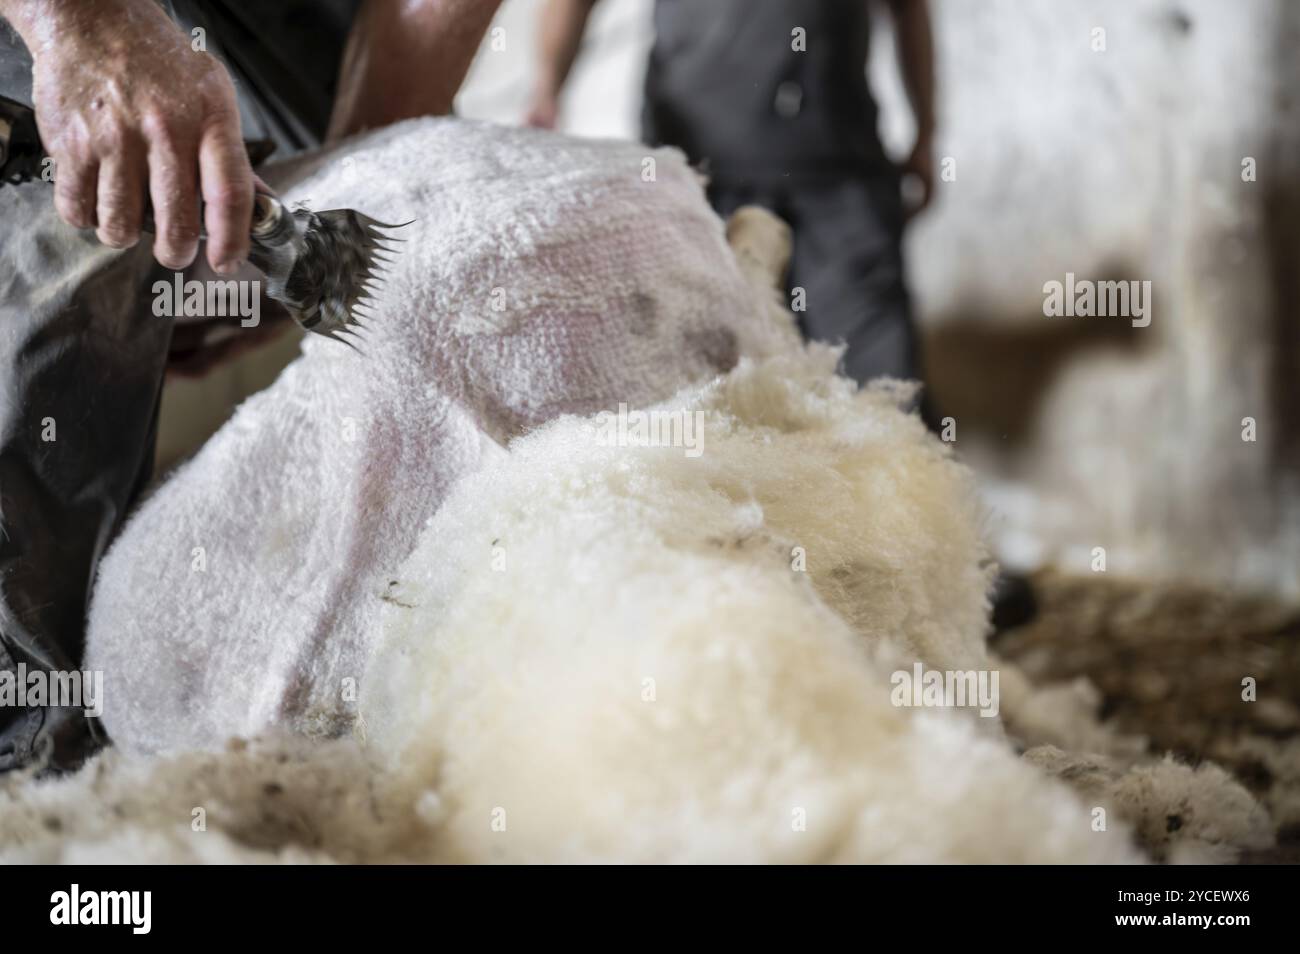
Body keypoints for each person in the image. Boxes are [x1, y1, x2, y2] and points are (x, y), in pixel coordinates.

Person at [0, 0, 504, 774]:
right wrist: (88, 26)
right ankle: (29, 771)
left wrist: (336, 207)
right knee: (57, 258)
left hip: (284, 43)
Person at [528, 0, 936, 398]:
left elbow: (909, 8)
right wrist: (546, 89)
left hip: (839, 176)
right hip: (697, 177)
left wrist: (927, 132)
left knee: (883, 389)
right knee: (699, 389)